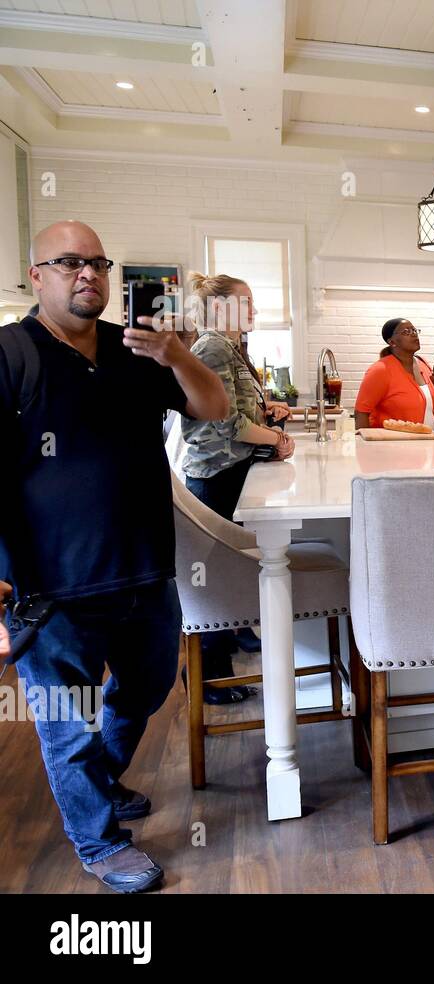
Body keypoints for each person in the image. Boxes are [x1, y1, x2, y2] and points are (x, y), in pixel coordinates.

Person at [0, 220, 228, 893]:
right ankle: (99, 843)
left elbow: (211, 408)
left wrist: (177, 354)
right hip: (50, 587)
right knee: (67, 724)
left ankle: (98, 778)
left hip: (144, 570)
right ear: (36, 275)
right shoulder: (11, 354)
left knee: (149, 686)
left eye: (98, 262)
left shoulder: (137, 351)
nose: (87, 274)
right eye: (68, 262)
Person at [180, 273, 295, 705]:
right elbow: (228, 425)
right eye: (245, 302)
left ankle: (226, 649)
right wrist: (276, 439)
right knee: (214, 583)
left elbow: (240, 410)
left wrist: (268, 413)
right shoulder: (212, 346)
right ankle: (208, 681)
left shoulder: (227, 347)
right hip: (214, 478)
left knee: (225, 575)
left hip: (226, 473)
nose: (254, 310)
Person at [354, 318, 434, 430]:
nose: (413, 334)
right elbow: (361, 412)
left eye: (414, 330)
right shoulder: (380, 370)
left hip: (426, 443)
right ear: (392, 342)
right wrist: (366, 444)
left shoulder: (423, 364)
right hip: (391, 445)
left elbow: (429, 405)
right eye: (406, 332)